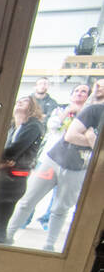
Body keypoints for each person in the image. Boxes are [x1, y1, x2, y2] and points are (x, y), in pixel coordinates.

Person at [9, 83, 90, 236]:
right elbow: (53, 126)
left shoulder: (89, 115)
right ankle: (18, 225)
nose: (79, 93)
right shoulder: (60, 109)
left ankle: (48, 228)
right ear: (71, 94)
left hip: (74, 164)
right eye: (77, 90)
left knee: (59, 203)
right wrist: (67, 113)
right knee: (31, 195)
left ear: (87, 96)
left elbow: (88, 137)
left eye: (84, 91)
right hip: (50, 157)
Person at [42, 93, 103, 251]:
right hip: (59, 158)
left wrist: (92, 139)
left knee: (67, 207)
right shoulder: (91, 111)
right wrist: (93, 141)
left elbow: (96, 143)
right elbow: (68, 135)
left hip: (84, 168)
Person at [0, 96, 45, 245]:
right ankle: (0, 245)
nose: (19, 102)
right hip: (3, 175)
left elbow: (14, 150)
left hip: (13, 178)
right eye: (18, 100)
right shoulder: (13, 126)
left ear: (33, 107)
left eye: (25, 101)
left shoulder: (33, 126)